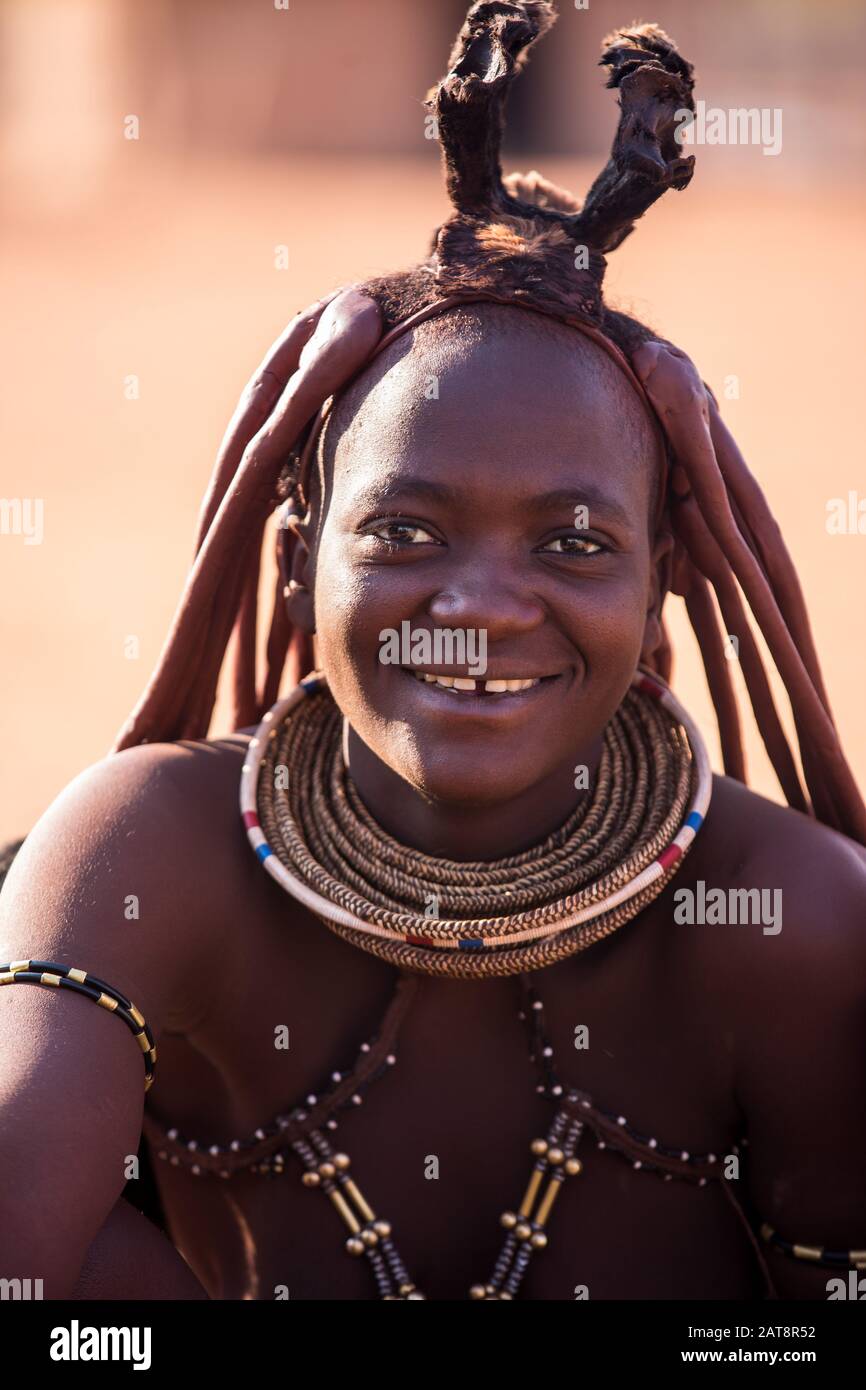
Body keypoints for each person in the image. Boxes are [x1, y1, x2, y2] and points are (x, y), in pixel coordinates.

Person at [1, 3, 864, 1302]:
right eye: (403, 531)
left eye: (573, 544)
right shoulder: (148, 856)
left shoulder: (786, 917)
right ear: (299, 567)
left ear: (658, 594)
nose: (480, 604)